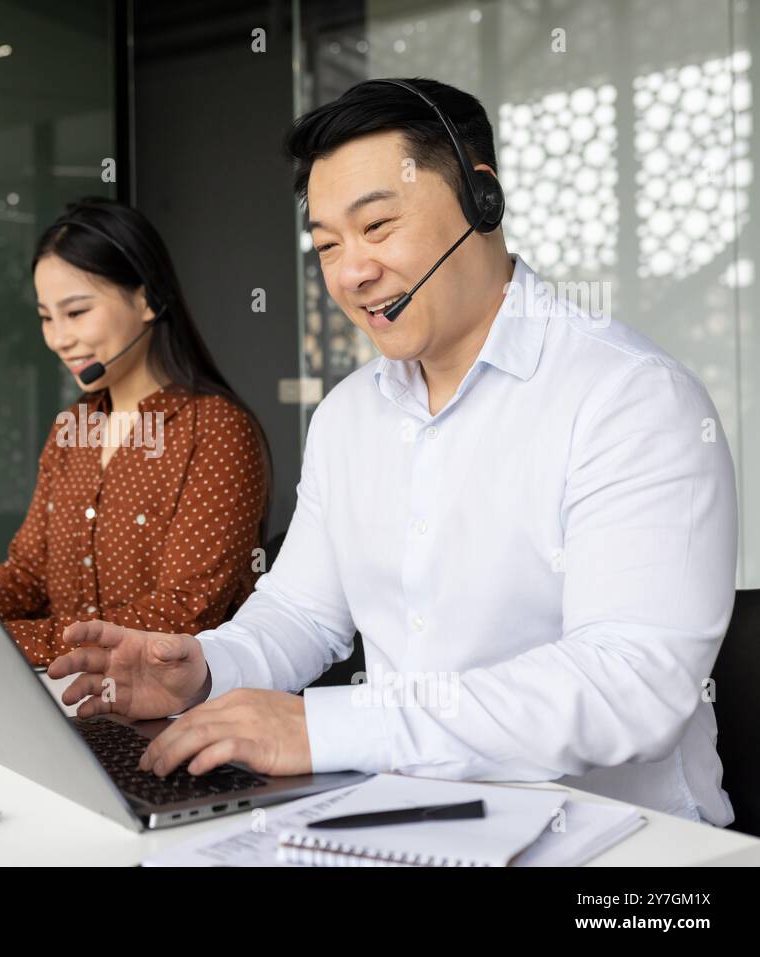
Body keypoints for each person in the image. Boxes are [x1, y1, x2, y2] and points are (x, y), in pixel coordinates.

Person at [49, 78, 739, 826]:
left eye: (378, 226)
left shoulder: (631, 398)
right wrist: (208, 665)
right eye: (326, 245)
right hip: (409, 819)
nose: (351, 273)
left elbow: (627, 684)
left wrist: (328, 726)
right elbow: (302, 612)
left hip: (622, 845)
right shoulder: (350, 415)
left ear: (482, 200)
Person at [0, 197, 271, 667]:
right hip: (57, 698)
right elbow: (28, 577)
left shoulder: (216, 431)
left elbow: (180, 615)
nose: (57, 338)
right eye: (45, 317)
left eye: (75, 313)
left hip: (172, 715)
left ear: (147, 299)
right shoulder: (72, 429)